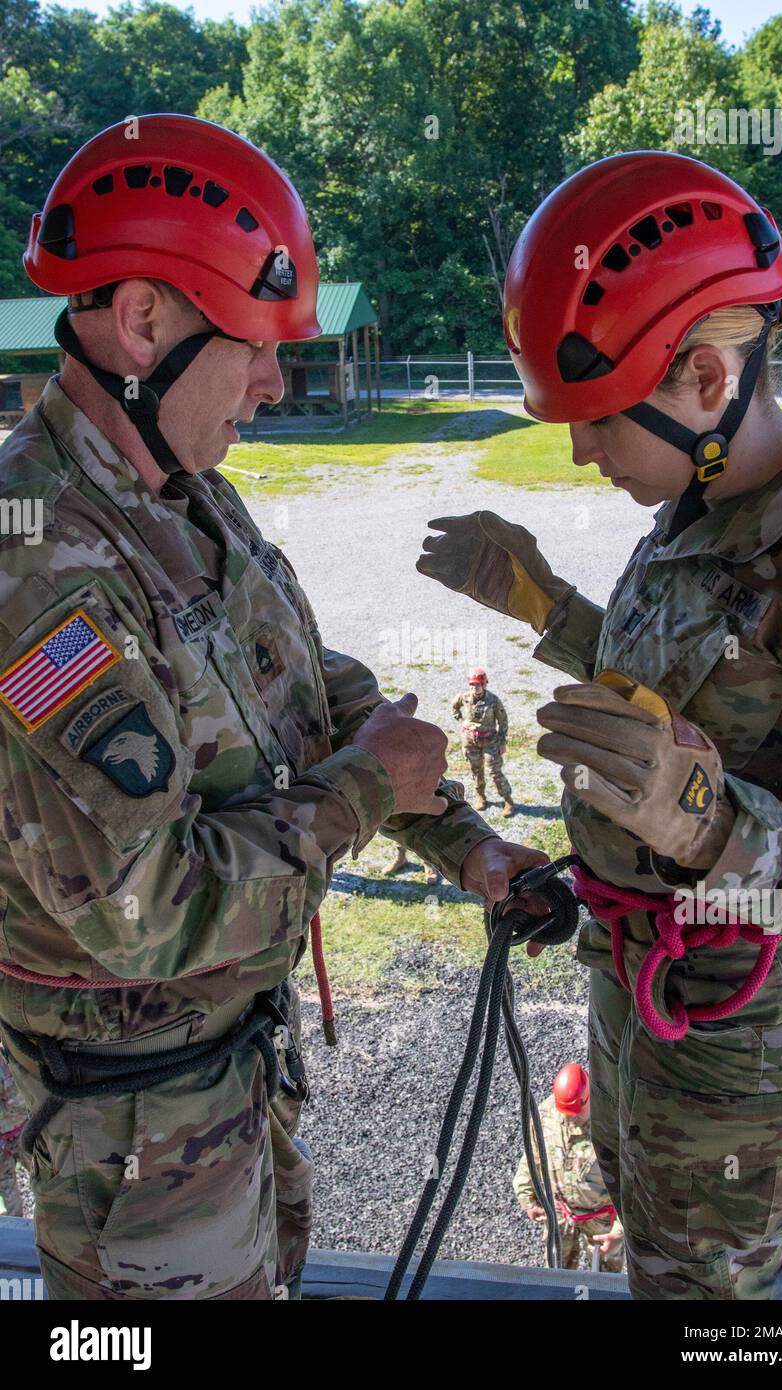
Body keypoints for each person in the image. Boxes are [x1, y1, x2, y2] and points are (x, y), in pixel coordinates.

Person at [0, 113, 548, 1301]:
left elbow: (307, 690)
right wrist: (367, 790)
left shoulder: (189, 499)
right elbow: (147, 910)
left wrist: (468, 845)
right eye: (255, 342)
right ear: (143, 321)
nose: (275, 380)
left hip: (226, 1088)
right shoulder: (38, 568)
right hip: (129, 1150)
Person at [418, 151, 782, 1300]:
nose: (576, 449)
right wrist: (547, 606)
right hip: (648, 990)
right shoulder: (693, 507)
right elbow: (684, 690)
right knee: (660, 1253)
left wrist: (713, 825)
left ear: (706, 381)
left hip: (746, 1041)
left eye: (593, 420)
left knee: (709, 1298)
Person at [514, 1064, 623, 1272]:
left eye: (576, 1112)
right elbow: (533, 1156)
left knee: (605, 1280)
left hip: (602, 1220)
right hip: (559, 1214)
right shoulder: (546, 1116)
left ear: (589, 1098)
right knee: (557, 1274)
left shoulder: (614, 1126)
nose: (570, 1118)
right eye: (565, 1112)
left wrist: (621, 1231)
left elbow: (636, 1186)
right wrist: (527, 1197)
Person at [451, 668, 514, 814]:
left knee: (494, 771)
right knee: (476, 770)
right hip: (470, 741)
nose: (475, 688)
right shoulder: (464, 697)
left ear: (485, 685)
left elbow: (503, 721)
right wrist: (462, 721)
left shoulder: (493, 700)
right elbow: (454, 707)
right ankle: (481, 796)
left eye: (478, 685)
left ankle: (508, 800)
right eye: (472, 685)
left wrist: (502, 742)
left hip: (490, 741)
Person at [0, 1050, 28, 1217]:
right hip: (17, 1128)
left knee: (43, 1174)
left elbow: (16, 1100)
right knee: (6, 1185)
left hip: (21, 1130)